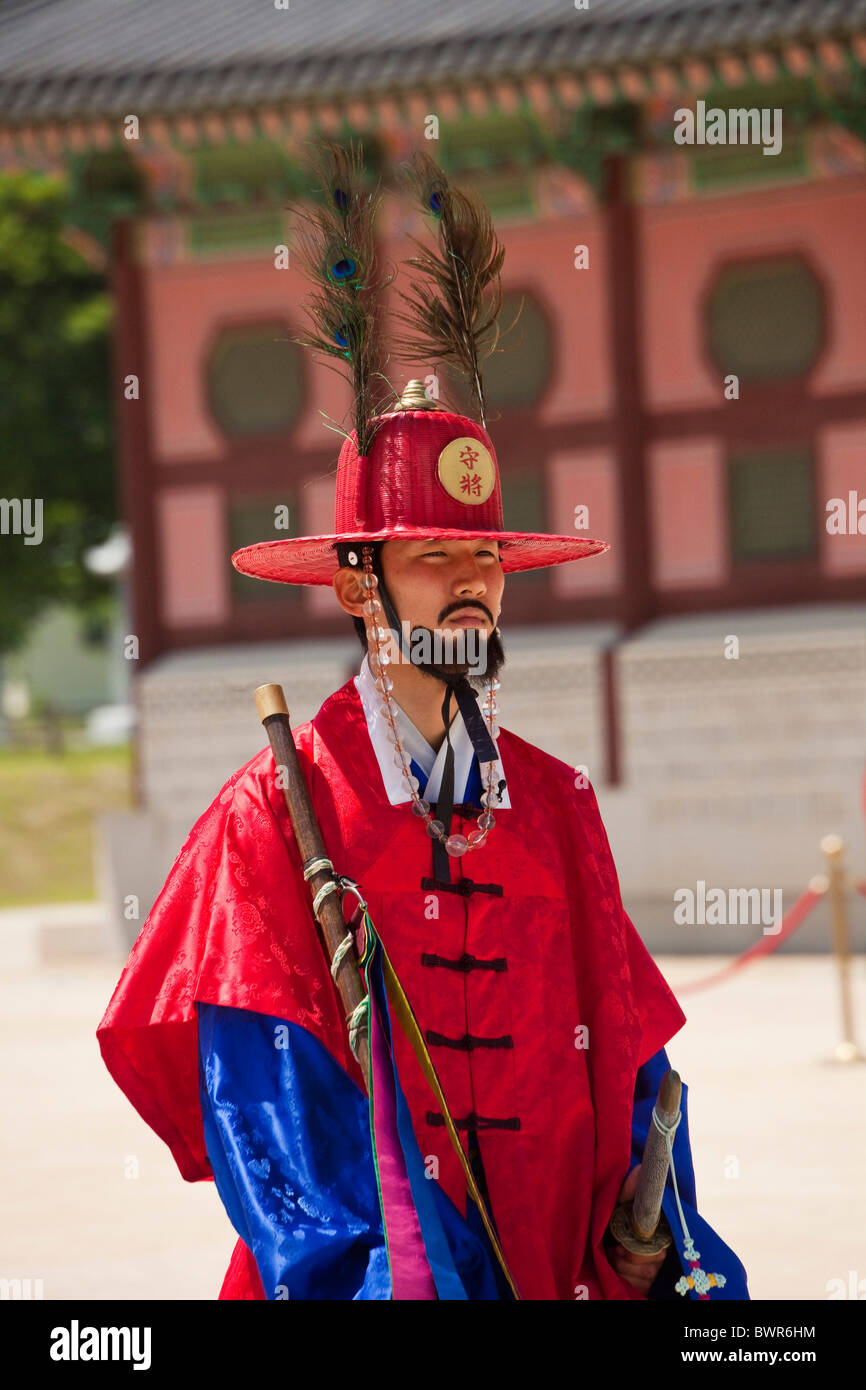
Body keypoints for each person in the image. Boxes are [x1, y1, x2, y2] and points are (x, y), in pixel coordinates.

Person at [97, 148, 749, 1301]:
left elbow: (636, 1063)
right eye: (430, 555)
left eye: (483, 558)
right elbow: (271, 1111)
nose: (470, 583)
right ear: (357, 585)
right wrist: (390, 1273)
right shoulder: (274, 816)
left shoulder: (550, 802)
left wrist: (665, 1241)